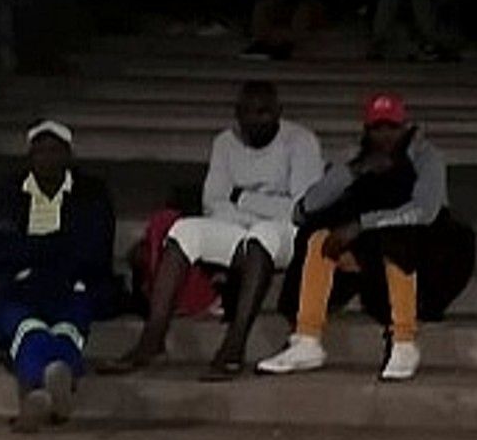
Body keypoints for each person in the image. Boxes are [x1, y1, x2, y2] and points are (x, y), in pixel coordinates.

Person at [102, 82, 325, 379]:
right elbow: (212, 201)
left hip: (287, 232)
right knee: (183, 231)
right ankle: (152, 339)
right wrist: (250, 209)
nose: (256, 120)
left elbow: (301, 207)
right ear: (237, 114)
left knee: (263, 237)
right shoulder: (225, 142)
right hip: (236, 227)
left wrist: (242, 197)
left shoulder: (301, 141)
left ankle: (234, 346)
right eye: (248, 113)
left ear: (278, 113)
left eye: (264, 112)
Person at [258, 92, 451, 382]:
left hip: (427, 246)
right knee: (320, 239)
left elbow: (425, 211)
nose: (385, 136)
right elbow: (306, 208)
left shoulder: (426, 156)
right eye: (377, 128)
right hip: (370, 243)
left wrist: (363, 224)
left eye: (392, 128)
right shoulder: (356, 155)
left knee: (398, 244)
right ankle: (307, 339)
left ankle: (404, 341)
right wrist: (355, 171)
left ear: (404, 127)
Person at [0, 121, 117, 432]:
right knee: (28, 329)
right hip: (19, 283)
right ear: (30, 156)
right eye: (39, 152)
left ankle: (37, 394)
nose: (46, 159)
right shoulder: (8, 192)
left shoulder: (92, 193)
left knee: (67, 328)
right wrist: (57, 244)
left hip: (73, 282)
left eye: (54, 151)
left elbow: (94, 249)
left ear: (68, 155)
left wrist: (31, 247)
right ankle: (51, 384)